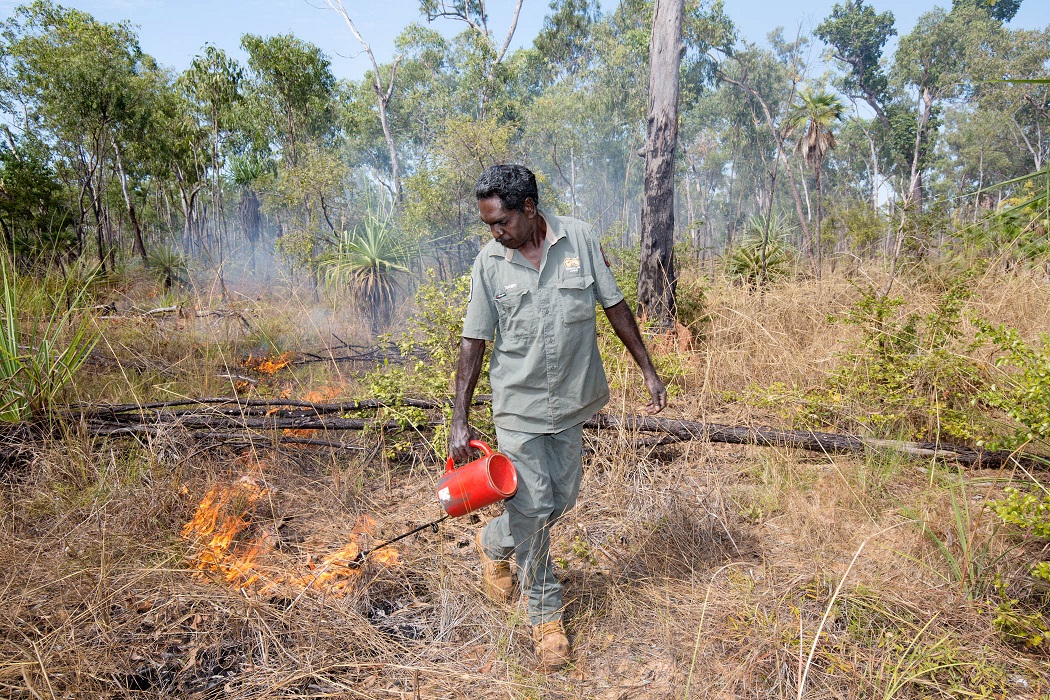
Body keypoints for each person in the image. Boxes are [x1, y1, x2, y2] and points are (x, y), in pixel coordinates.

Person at [449, 164, 667, 671]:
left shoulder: (580, 240)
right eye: (488, 225)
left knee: (560, 499)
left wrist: (649, 370)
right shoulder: (490, 263)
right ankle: (545, 619)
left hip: (572, 401)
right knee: (532, 507)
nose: (495, 233)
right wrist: (460, 417)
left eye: (501, 222)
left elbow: (614, 306)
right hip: (517, 406)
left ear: (530, 209)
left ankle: (491, 542)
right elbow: (473, 341)